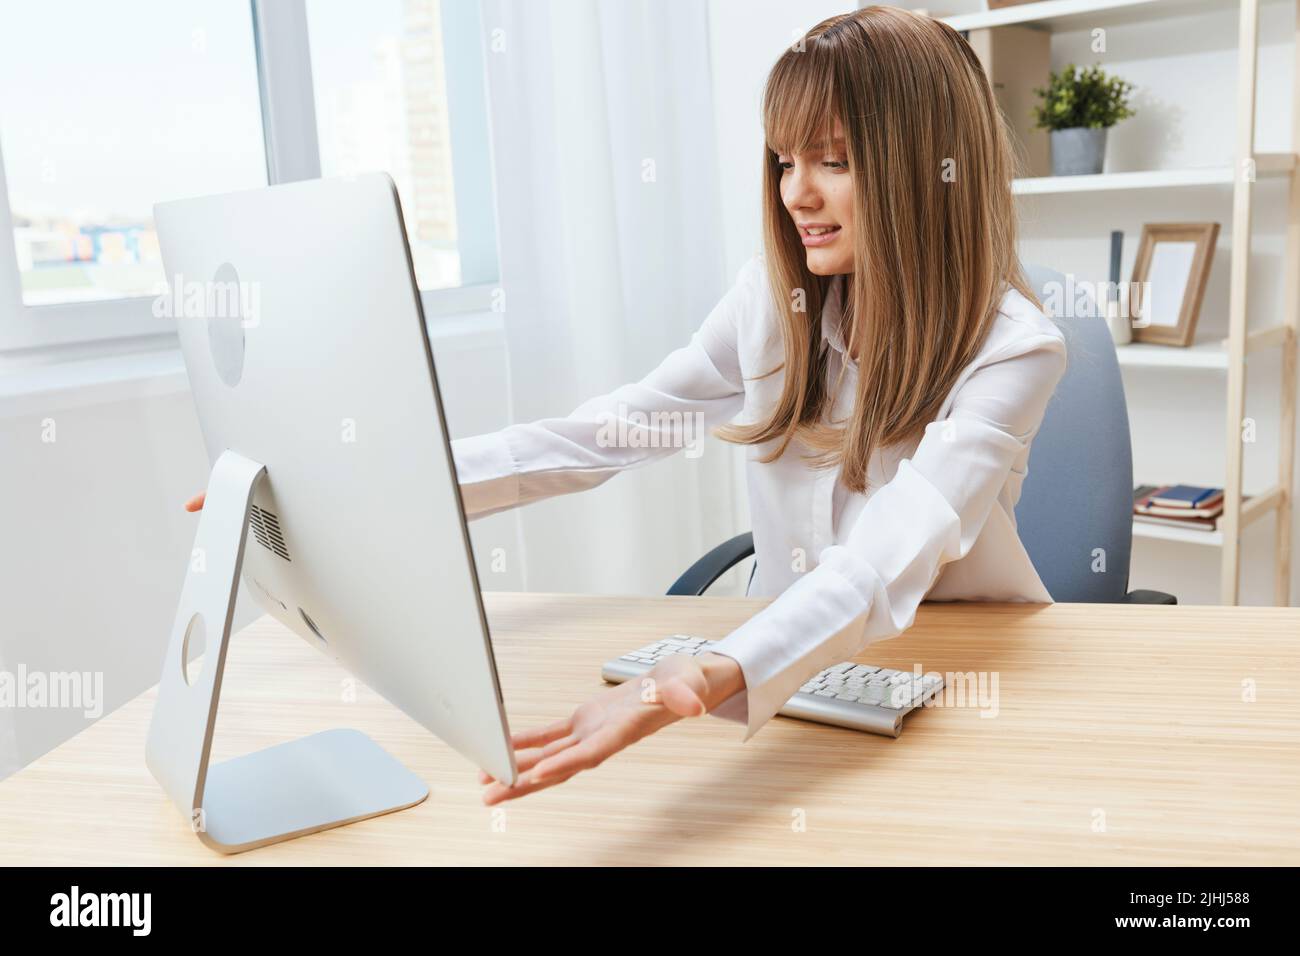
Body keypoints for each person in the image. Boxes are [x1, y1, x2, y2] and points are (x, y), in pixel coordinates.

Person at [187, 6, 1067, 806]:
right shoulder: (772, 302)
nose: (797, 193)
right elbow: (603, 436)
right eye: (785, 159)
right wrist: (360, 482)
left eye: (834, 161)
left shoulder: (1013, 347)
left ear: (929, 172)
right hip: (791, 673)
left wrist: (720, 668)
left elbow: (880, 561)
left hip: (952, 673)